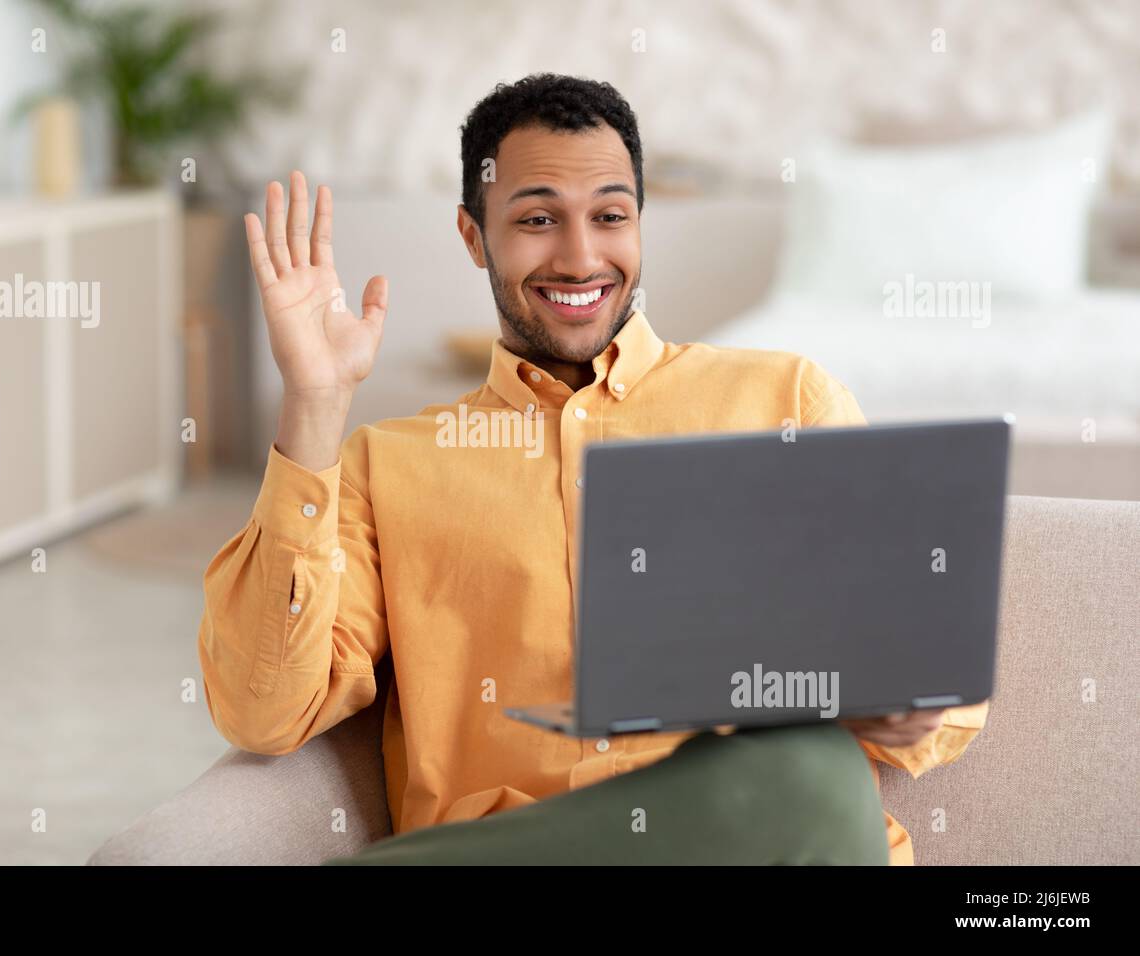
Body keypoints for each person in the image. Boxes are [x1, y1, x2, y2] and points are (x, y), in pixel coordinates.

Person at [198, 73, 989, 865]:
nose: (580, 258)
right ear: (475, 237)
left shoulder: (786, 400)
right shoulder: (387, 465)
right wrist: (313, 402)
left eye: (610, 216)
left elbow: (936, 690)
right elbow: (266, 712)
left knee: (808, 767)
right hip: (514, 850)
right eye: (538, 219)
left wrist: (901, 702)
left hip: (750, 834)